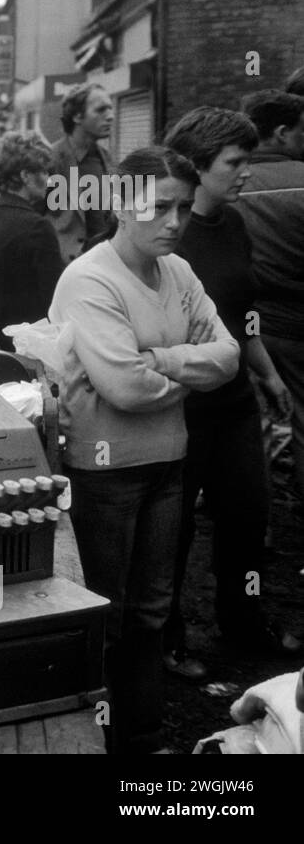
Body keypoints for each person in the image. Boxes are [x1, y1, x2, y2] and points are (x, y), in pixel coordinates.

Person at [49, 146, 240, 754]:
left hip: (168, 462)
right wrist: (185, 366)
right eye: (158, 206)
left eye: (182, 207)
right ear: (119, 204)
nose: (174, 221)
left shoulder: (179, 273)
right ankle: (93, 737)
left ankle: (142, 733)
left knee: (154, 610)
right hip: (103, 471)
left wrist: (157, 360)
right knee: (105, 613)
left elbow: (230, 355)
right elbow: (125, 389)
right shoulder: (89, 278)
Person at [161, 107, 300, 679]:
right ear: (199, 166)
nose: (245, 172)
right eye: (235, 162)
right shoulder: (167, 234)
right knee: (175, 528)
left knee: (245, 515)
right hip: (181, 406)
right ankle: (166, 636)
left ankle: (242, 621)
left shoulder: (236, 225)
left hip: (235, 400)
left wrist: (265, 372)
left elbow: (243, 315)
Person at [236, 90, 304, 521]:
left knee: (249, 427)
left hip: (244, 326)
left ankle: (253, 529)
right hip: (298, 327)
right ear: (280, 132)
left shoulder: (231, 184)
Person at [0, 133, 63, 352]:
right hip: (25, 346)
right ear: (26, 176)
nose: (49, 180)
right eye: (45, 172)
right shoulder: (38, 228)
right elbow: (55, 298)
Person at [47, 82, 116, 265]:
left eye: (111, 109)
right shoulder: (50, 160)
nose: (111, 116)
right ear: (77, 116)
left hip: (103, 265)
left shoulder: (107, 159)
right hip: (62, 267)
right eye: (101, 110)